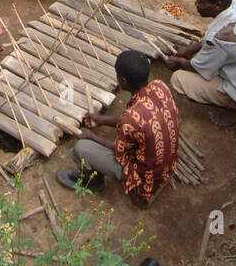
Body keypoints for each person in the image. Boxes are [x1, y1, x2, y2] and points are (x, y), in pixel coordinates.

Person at [58, 50, 179, 206]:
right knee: (132, 102)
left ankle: (94, 183)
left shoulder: (131, 119)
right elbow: (135, 119)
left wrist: (92, 137)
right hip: (167, 164)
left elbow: (119, 150)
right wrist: (101, 120)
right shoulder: (160, 86)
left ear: (123, 80)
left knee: (81, 148)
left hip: (145, 180)